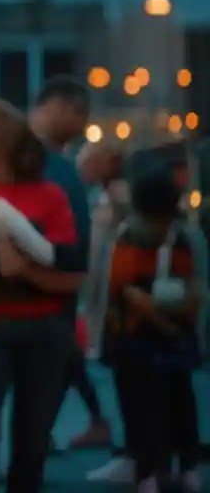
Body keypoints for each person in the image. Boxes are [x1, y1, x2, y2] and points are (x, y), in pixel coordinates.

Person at [0, 99, 84, 493]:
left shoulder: (51, 196)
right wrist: (4, 258)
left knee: (31, 438)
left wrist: (21, 265)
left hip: (44, 329)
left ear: (5, 143)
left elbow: (69, 266)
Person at [103, 169, 205, 493]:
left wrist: (170, 324)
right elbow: (129, 294)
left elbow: (131, 293)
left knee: (163, 401)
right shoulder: (142, 237)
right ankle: (163, 468)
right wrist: (173, 327)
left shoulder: (166, 238)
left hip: (155, 336)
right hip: (155, 335)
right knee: (159, 401)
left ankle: (169, 466)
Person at [30, 77, 112, 450]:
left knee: (61, 361)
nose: (82, 124)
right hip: (36, 288)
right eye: (79, 114)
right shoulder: (34, 161)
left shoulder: (59, 164)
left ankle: (39, 436)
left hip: (60, 286)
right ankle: (35, 439)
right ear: (58, 108)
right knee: (51, 364)